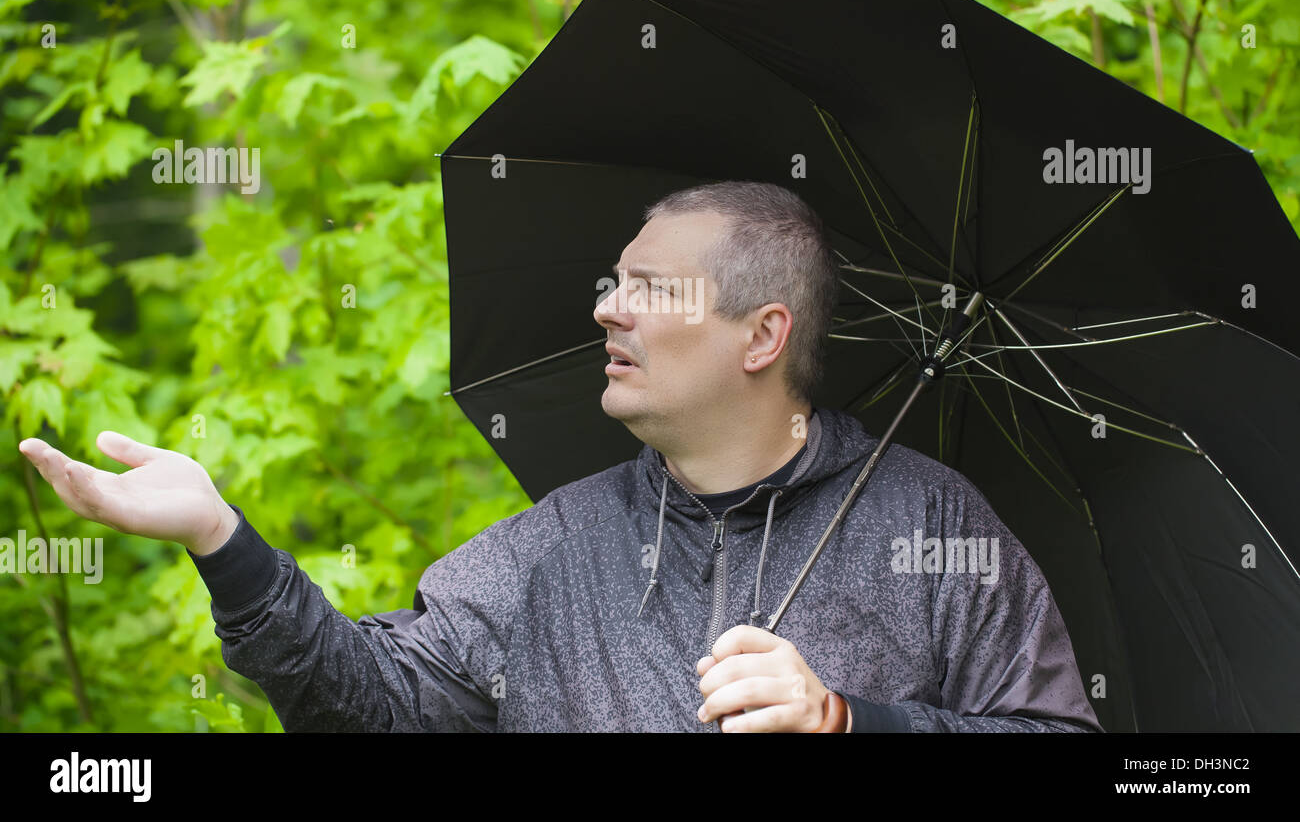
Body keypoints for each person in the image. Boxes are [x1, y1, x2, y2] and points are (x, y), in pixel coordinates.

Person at [18, 180, 1102, 733]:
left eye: (647, 288)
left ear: (761, 336)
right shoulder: (562, 543)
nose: (606, 309)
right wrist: (223, 537)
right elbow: (374, 704)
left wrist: (847, 719)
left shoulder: (933, 525)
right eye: (608, 281)